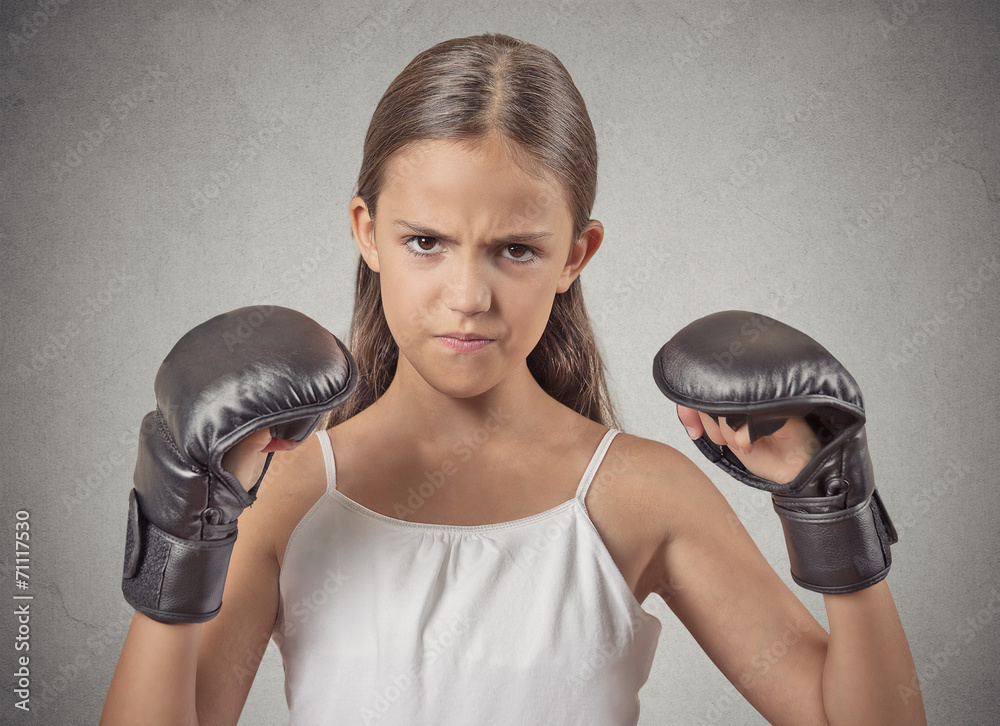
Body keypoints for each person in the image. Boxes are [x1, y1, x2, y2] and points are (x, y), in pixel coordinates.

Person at [102, 33, 926, 725]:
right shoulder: (285, 494)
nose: (468, 297)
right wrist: (180, 532)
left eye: (516, 249)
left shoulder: (640, 493)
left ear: (576, 255)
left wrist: (829, 501)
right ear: (367, 231)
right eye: (425, 240)